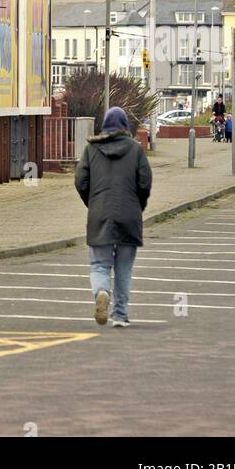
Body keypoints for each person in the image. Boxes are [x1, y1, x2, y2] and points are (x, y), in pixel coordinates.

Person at [74, 106, 153, 329]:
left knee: (99, 265)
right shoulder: (136, 150)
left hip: (99, 215)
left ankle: (101, 292)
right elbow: (145, 182)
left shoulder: (91, 150)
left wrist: (93, 203)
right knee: (124, 269)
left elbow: (80, 181)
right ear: (125, 126)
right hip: (129, 217)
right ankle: (120, 315)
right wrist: (138, 206)